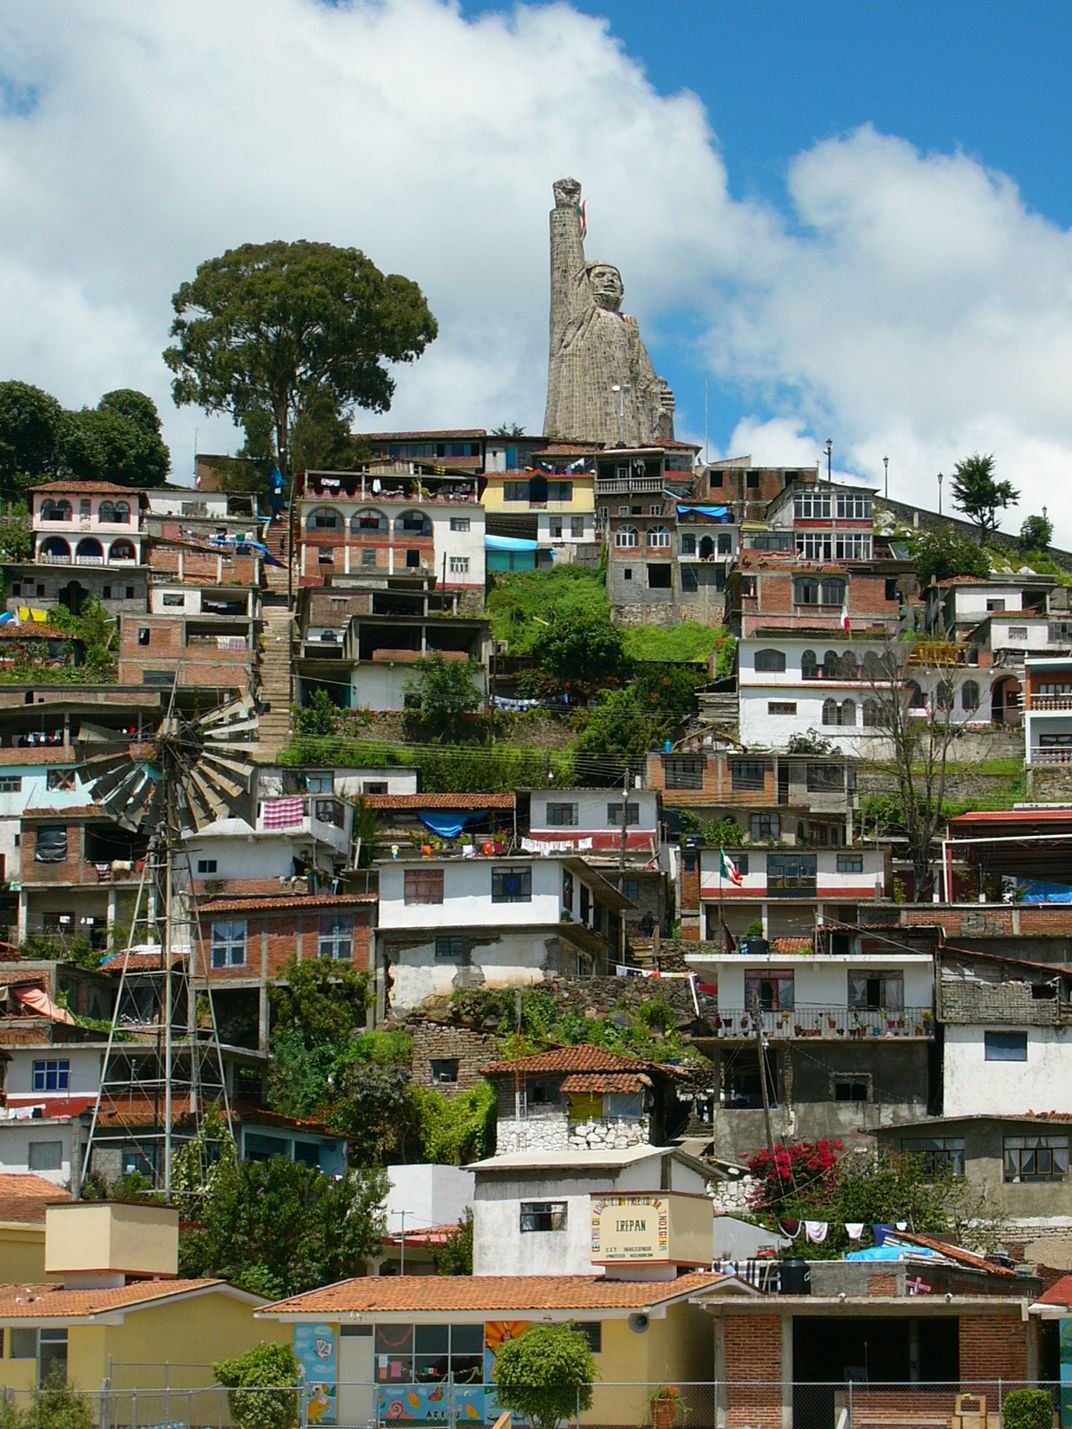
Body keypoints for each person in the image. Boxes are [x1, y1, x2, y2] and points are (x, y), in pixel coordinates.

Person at [544, 176, 675, 446]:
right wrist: (567, 211)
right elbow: (568, 271)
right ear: (586, 284)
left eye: (615, 277)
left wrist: (661, 400)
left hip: (625, 422)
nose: (609, 281)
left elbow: (646, 380)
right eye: (601, 276)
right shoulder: (579, 315)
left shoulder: (628, 324)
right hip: (580, 414)